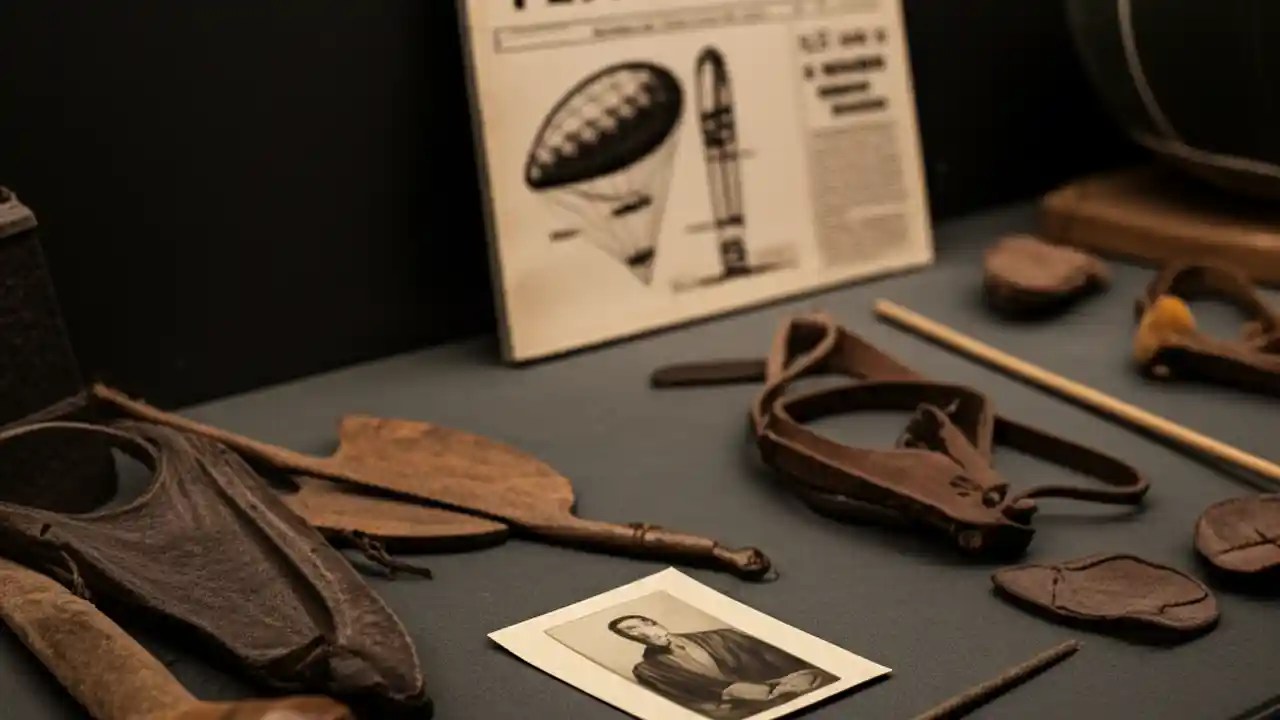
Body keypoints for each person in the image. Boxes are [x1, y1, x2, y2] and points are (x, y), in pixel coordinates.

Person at [607, 614, 838, 719]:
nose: (642, 634)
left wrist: (798, 680)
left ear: (654, 623)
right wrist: (766, 693)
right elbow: (698, 692)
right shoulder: (649, 669)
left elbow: (781, 660)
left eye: (641, 626)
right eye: (631, 633)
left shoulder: (723, 636)